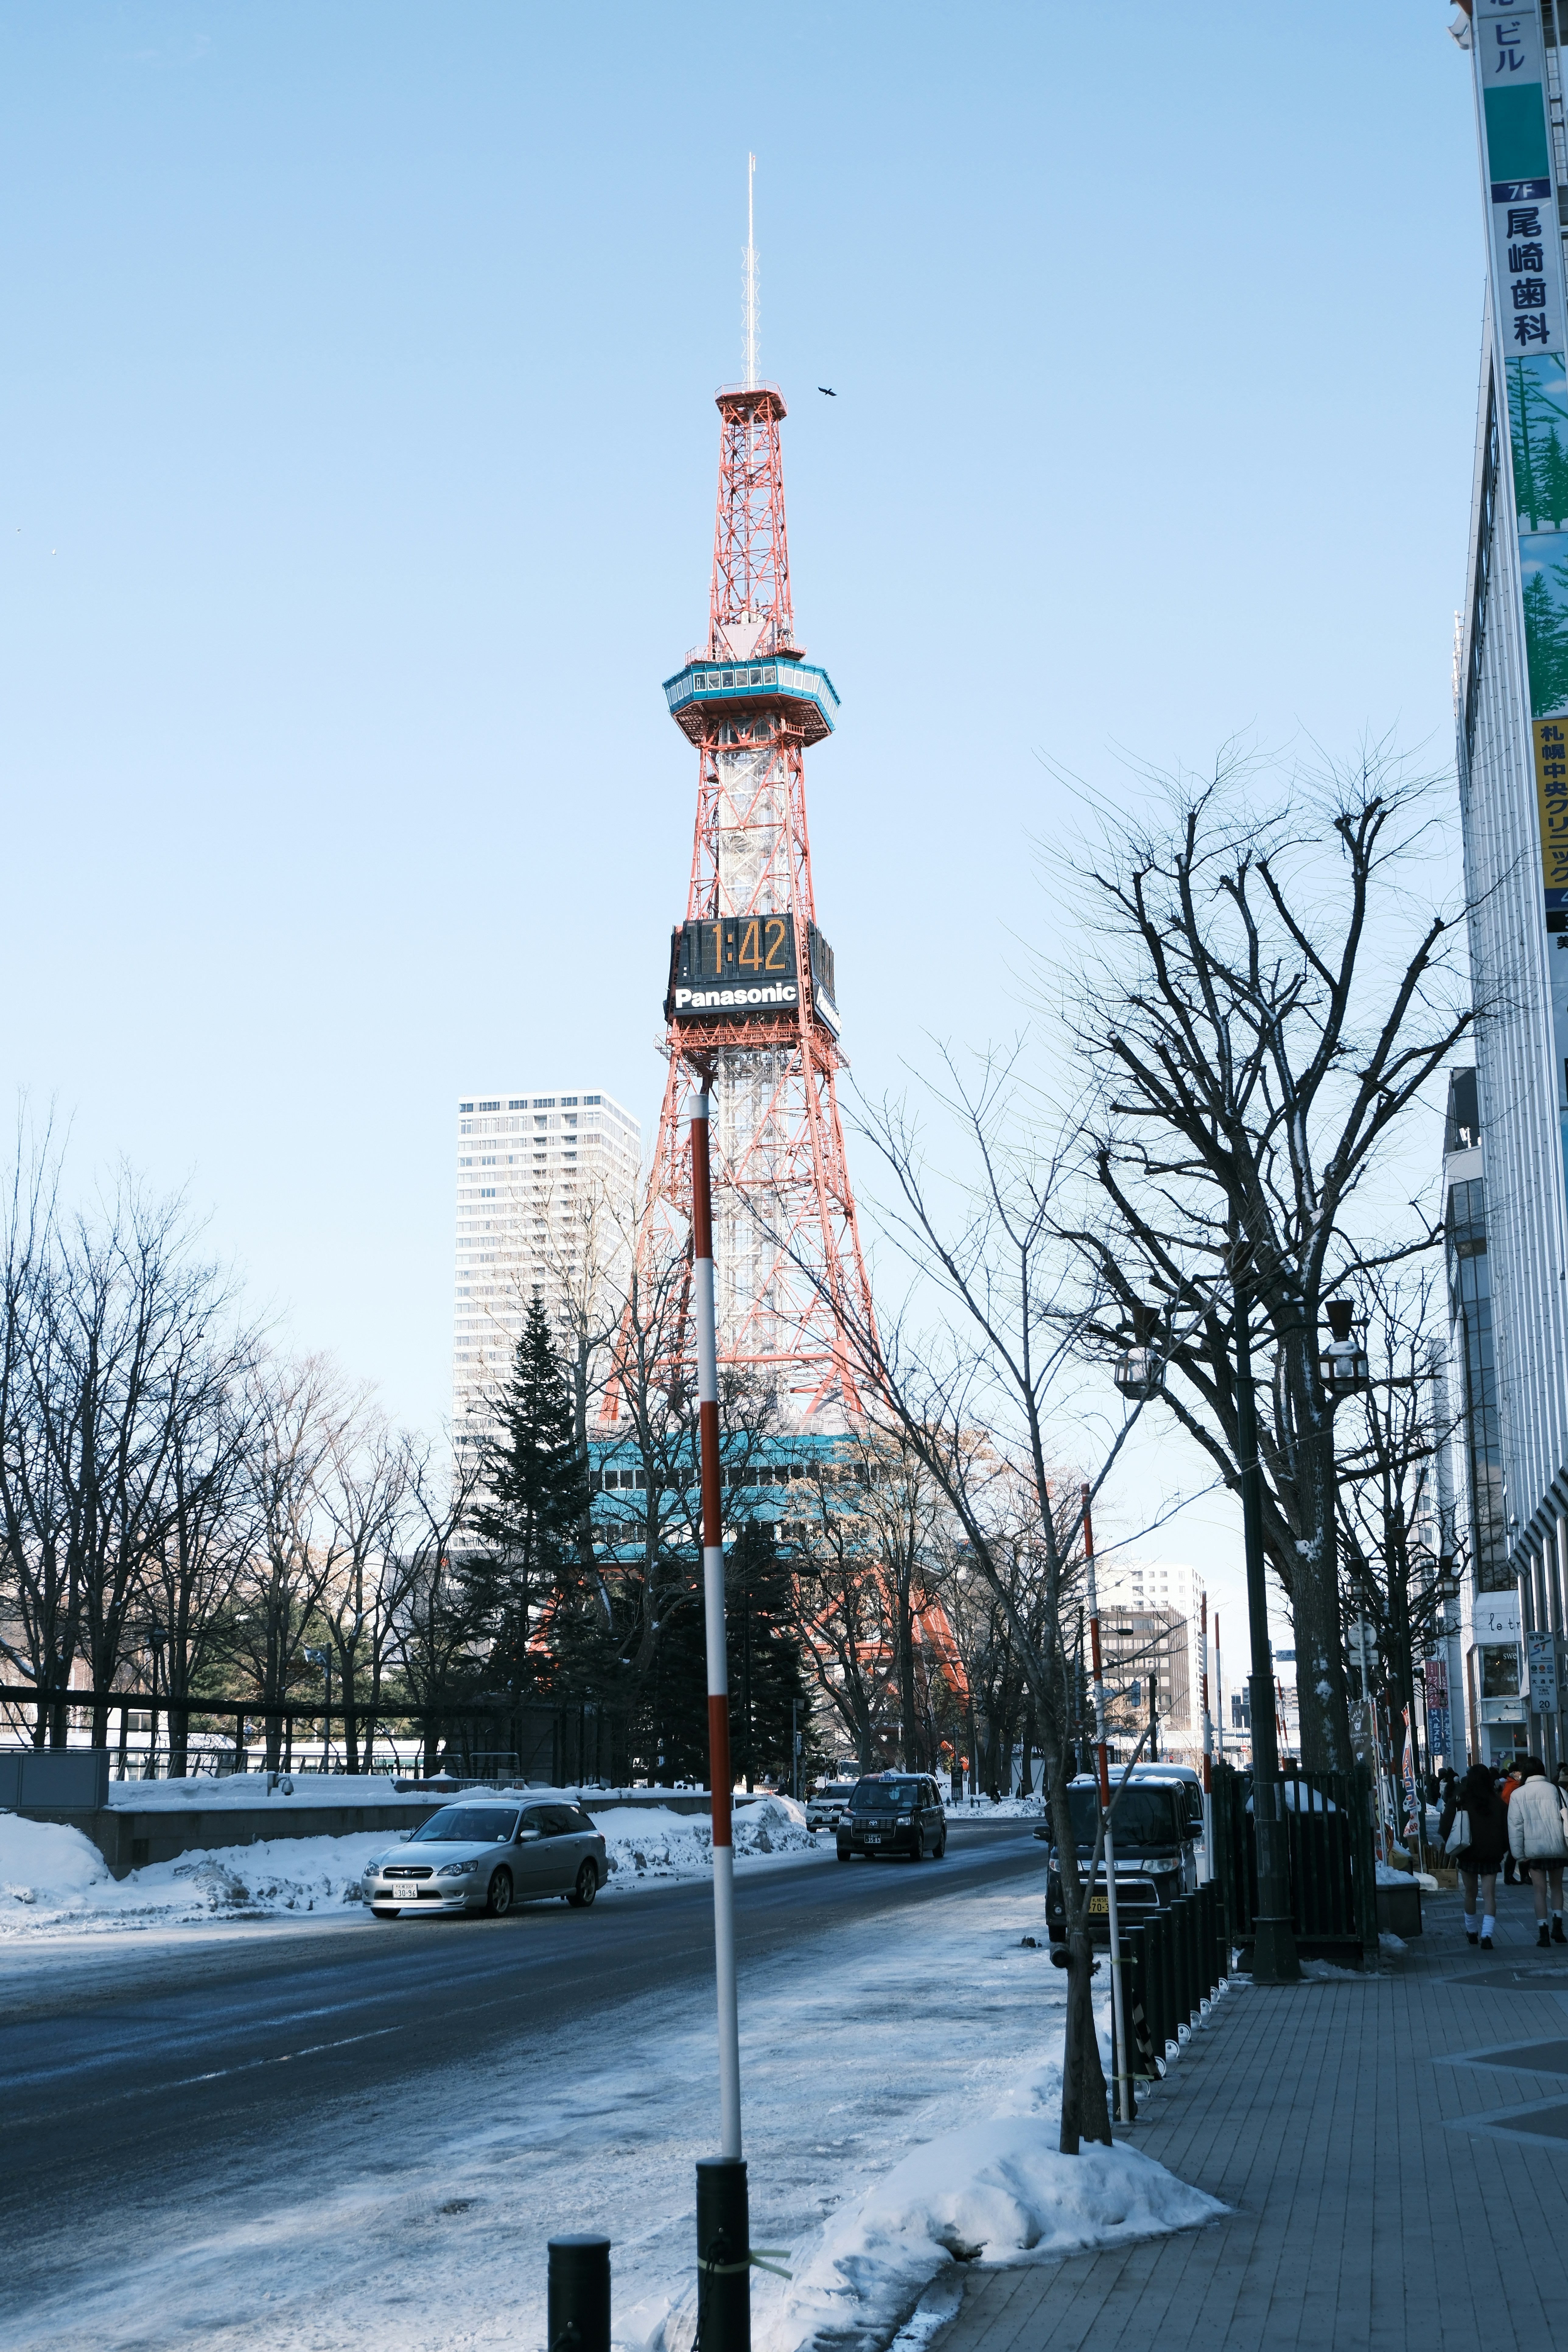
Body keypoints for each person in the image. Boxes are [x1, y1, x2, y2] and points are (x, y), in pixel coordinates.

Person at [1440, 1762, 1509, 1948]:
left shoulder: (1460, 1800)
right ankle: (1487, 1936)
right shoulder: (1498, 1803)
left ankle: (1472, 1931)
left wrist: (1455, 1845)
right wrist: (1500, 1850)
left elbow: (1444, 1827)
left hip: (1467, 1853)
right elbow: (1507, 1833)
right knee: (1489, 1896)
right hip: (1491, 1855)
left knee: (1470, 1894)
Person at [1507, 1755, 1568, 1947]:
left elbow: (1515, 1827)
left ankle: (1543, 1933)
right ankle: (1558, 1927)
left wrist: (1519, 1855)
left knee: (1539, 1891)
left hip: (1533, 1851)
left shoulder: (1518, 1794)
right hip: (1557, 1847)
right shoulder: (1558, 1791)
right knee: (1557, 1888)